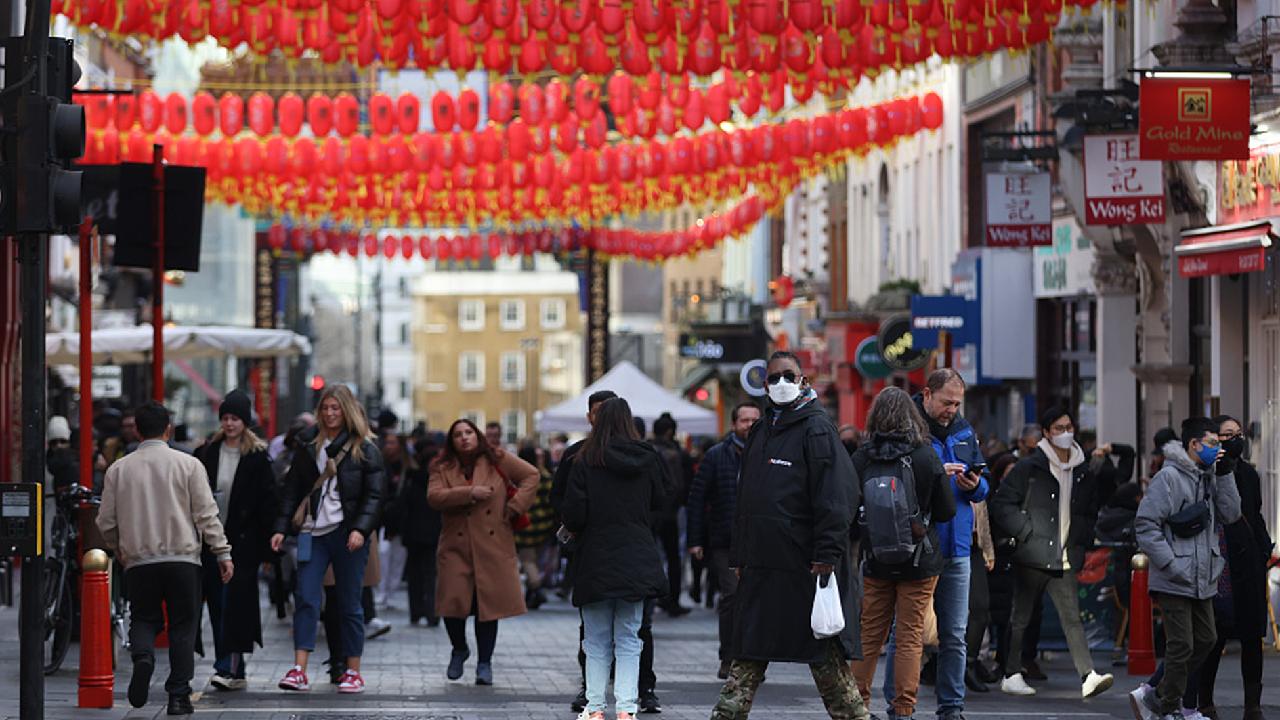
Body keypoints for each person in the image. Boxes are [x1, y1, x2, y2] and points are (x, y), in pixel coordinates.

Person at [711, 351, 868, 720]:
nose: (781, 383)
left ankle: (854, 716)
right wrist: (739, 557)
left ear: (803, 381)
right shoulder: (763, 430)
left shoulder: (817, 429)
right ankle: (726, 714)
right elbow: (746, 498)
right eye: (774, 377)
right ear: (764, 385)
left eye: (788, 376)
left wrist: (827, 556)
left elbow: (836, 498)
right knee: (748, 651)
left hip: (805, 567)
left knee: (824, 655)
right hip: (763, 565)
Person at [97, 401, 233, 716]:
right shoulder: (189, 465)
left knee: (143, 618)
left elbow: (105, 521)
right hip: (184, 559)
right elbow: (206, 514)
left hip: (140, 560)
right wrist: (222, 551)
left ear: (138, 431)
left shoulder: (119, 469)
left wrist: (118, 546)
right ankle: (178, 695)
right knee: (183, 626)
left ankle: (143, 657)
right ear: (168, 429)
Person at [1128, 418, 1254, 720]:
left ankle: (1154, 697)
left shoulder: (1210, 476)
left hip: (1203, 575)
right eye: (1212, 443)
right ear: (1193, 444)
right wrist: (1170, 563)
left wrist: (1224, 476)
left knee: (1207, 640)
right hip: (1174, 577)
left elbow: (1231, 513)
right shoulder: (1169, 477)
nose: (1217, 448)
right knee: (1182, 644)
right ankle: (1167, 706)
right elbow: (1145, 525)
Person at [883, 369, 988, 720]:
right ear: (927, 394)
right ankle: (897, 704)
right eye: (946, 402)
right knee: (905, 633)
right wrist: (933, 474)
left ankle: (952, 707)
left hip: (957, 547)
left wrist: (975, 486)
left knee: (955, 634)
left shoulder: (964, 431)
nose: (952, 409)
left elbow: (984, 484)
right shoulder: (905, 428)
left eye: (957, 403)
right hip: (917, 544)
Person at [989, 407, 1114, 699]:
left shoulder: (1083, 470)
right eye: (1058, 428)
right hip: (1033, 552)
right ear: (1046, 433)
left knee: (1072, 618)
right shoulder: (1028, 468)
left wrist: (1081, 540)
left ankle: (1088, 675)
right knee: (1021, 617)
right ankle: (1011, 672)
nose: (1065, 433)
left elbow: (1089, 509)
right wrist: (1027, 531)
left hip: (1066, 556)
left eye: (1068, 426)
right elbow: (1001, 504)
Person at [553, 391, 663, 715]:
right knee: (631, 636)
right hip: (636, 553)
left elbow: (573, 513)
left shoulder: (584, 459)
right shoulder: (648, 458)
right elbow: (663, 500)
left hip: (596, 555)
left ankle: (596, 706)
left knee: (596, 638)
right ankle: (628, 707)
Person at [270, 384, 384, 694]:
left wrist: (360, 529)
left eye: (336, 408)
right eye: (326, 408)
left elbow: (374, 496)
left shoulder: (366, 448)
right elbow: (292, 489)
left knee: (349, 603)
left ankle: (353, 671)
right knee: (306, 598)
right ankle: (299, 669)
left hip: (347, 535)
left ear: (347, 410)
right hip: (312, 533)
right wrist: (281, 527)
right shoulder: (308, 444)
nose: (330, 414)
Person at [851, 387, 957, 720]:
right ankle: (903, 708)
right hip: (919, 560)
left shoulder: (863, 457)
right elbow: (945, 511)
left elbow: (849, 508)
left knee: (869, 635)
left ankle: (856, 705)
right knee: (910, 635)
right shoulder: (925, 456)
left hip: (877, 559)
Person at [428, 418, 539, 686]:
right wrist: (469, 492)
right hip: (456, 545)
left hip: (492, 543)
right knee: (451, 605)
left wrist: (514, 507)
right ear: (451, 441)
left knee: (486, 608)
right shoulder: (441, 466)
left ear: (477, 435)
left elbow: (531, 476)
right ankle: (459, 648)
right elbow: (434, 497)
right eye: (458, 434)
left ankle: (484, 663)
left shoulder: (496, 458)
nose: (464, 438)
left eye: (469, 432)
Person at [196, 390, 277, 691]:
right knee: (217, 603)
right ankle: (233, 666)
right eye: (225, 418)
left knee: (235, 603)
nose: (229, 424)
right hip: (211, 541)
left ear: (245, 421)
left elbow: (268, 502)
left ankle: (227, 667)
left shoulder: (257, 457)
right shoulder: (207, 452)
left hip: (243, 544)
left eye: (235, 418)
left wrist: (270, 545)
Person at [687, 401, 762, 679]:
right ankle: (729, 657)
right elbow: (697, 500)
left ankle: (753, 659)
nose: (751, 424)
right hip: (725, 540)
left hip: (760, 541)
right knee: (732, 597)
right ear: (734, 424)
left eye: (755, 419)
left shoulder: (768, 454)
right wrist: (695, 540)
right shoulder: (716, 456)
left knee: (756, 599)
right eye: (745, 420)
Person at [651, 412, 693, 616]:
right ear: (670, 432)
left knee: (653, 556)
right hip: (670, 512)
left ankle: (654, 596)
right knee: (673, 557)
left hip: (651, 511)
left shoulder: (648, 449)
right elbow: (681, 485)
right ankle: (672, 599)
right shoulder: (677, 453)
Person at [403, 434, 443, 626]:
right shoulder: (438, 479)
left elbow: (402, 504)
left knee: (416, 574)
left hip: (414, 532)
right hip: (432, 531)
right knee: (430, 573)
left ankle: (417, 611)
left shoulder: (411, 477)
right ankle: (431, 612)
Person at [516, 444, 558, 610]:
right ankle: (531, 594)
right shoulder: (546, 476)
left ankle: (537, 589)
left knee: (527, 561)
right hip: (543, 525)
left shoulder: (521, 477)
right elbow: (551, 501)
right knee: (536, 562)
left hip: (525, 526)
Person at [376, 430, 411, 611]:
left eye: (393, 443)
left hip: (402, 519)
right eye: (387, 442)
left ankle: (391, 591)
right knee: (384, 554)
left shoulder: (407, 467)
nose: (389, 446)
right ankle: (383, 591)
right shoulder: (381, 464)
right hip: (384, 518)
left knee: (398, 558)